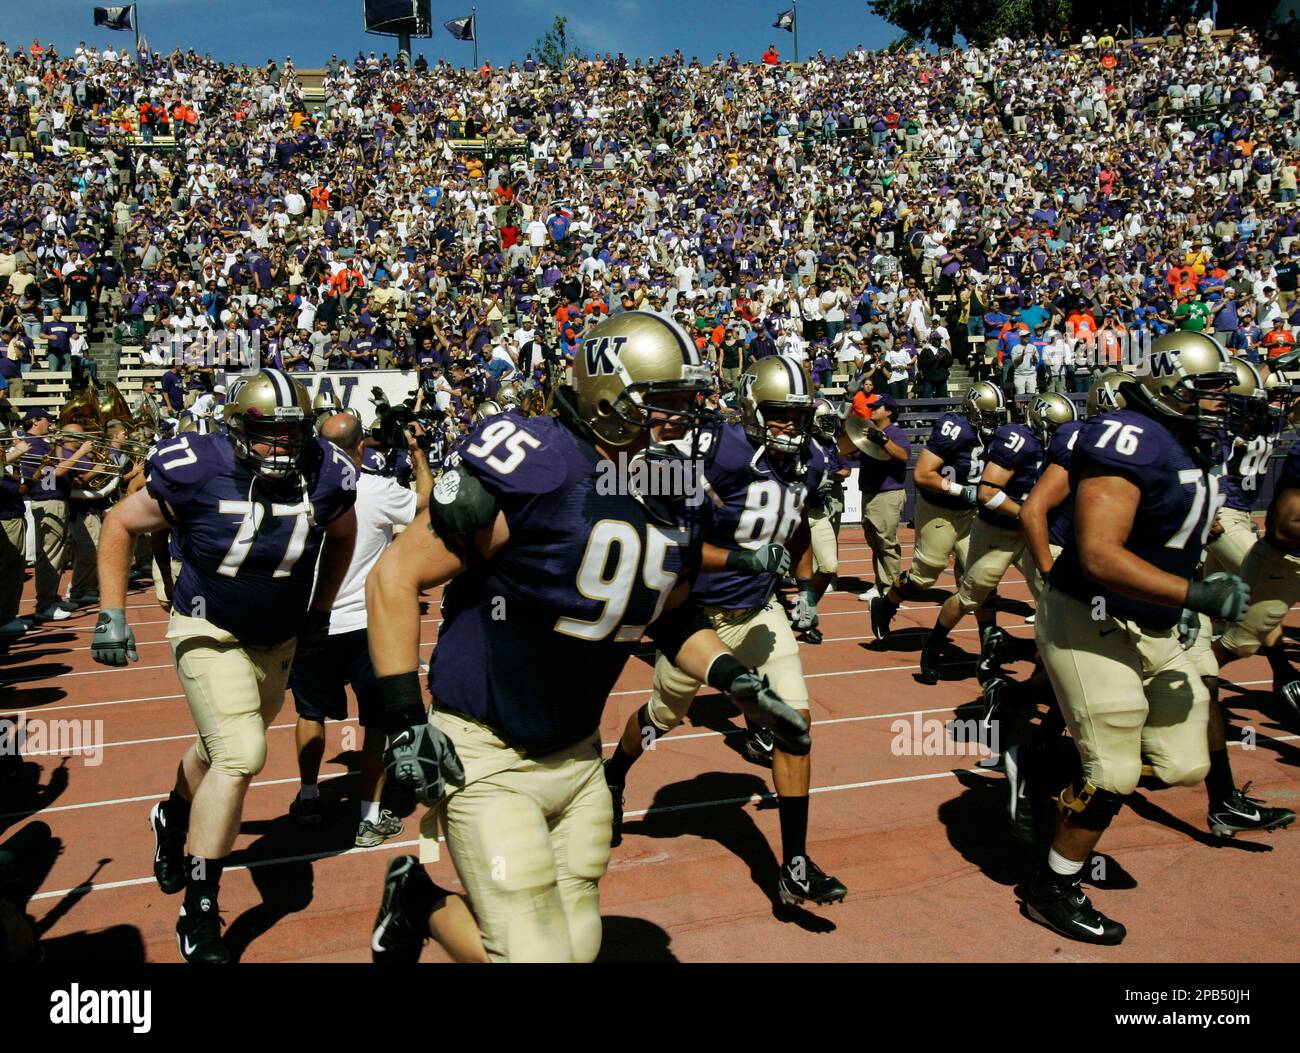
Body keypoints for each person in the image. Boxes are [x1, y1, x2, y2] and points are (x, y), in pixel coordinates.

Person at [364, 312, 810, 963]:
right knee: (531, 956)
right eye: (667, 403)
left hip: (575, 753)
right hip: (485, 742)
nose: (684, 419)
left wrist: (738, 681)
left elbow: (673, 616)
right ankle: (422, 903)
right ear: (611, 399)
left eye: (688, 402)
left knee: (578, 946)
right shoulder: (540, 466)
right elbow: (396, 576)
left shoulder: (673, 492)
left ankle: (418, 899)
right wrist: (404, 719)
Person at [91, 369, 359, 964]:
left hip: (279, 637)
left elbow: (342, 534)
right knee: (242, 754)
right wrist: (112, 612)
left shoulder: (329, 470)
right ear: (238, 428)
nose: (282, 446)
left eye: (292, 432)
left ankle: (172, 813)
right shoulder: (196, 463)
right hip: (207, 625)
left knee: (220, 750)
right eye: (267, 433)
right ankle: (202, 903)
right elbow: (120, 522)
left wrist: (320, 609)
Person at [1027, 333, 1250, 943]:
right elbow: (1098, 554)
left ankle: (1045, 767)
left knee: (1183, 765)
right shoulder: (1130, 438)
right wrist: (1197, 596)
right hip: (1090, 614)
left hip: (1154, 618)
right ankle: (1053, 884)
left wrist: (1186, 586)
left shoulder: (1195, 442)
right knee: (1115, 771)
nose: (1220, 400)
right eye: (1208, 389)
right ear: (1168, 386)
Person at [604, 355, 847, 908]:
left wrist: (804, 593)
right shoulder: (717, 449)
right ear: (754, 409)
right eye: (780, 413)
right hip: (699, 618)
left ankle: (795, 865)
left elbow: (802, 528)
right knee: (661, 718)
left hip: (760, 615)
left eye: (798, 413)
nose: (792, 424)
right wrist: (745, 560)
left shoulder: (809, 458)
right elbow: (674, 542)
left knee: (795, 723)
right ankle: (614, 772)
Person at [288, 412, 434, 847]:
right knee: (376, 721)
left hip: (311, 621)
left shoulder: (293, 485)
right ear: (360, 448)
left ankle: (309, 794)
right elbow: (425, 501)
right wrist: (417, 451)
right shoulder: (374, 487)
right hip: (368, 625)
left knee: (309, 712)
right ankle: (369, 817)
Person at [914, 394, 1069, 685]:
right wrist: (1028, 513)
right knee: (970, 597)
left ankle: (1041, 666)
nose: (1061, 436)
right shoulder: (1017, 439)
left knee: (1053, 596)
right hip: (998, 530)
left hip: (1030, 530)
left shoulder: (1058, 447)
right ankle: (933, 644)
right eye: (1055, 428)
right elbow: (987, 494)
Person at [870, 382, 1005, 644]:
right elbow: (922, 474)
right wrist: (963, 490)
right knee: (924, 576)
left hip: (970, 514)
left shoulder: (992, 435)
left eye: (996, 416)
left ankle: (989, 641)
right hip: (939, 510)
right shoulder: (956, 428)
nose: (993, 422)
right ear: (972, 410)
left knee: (982, 575)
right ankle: (885, 605)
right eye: (988, 415)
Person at [852, 395, 910, 604]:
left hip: (887, 494)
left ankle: (891, 591)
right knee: (876, 543)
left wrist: (883, 440)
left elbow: (903, 455)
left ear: (889, 411)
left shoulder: (895, 432)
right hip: (870, 493)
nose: (872, 409)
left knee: (886, 543)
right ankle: (880, 584)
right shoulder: (870, 432)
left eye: (877, 407)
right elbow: (851, 454)